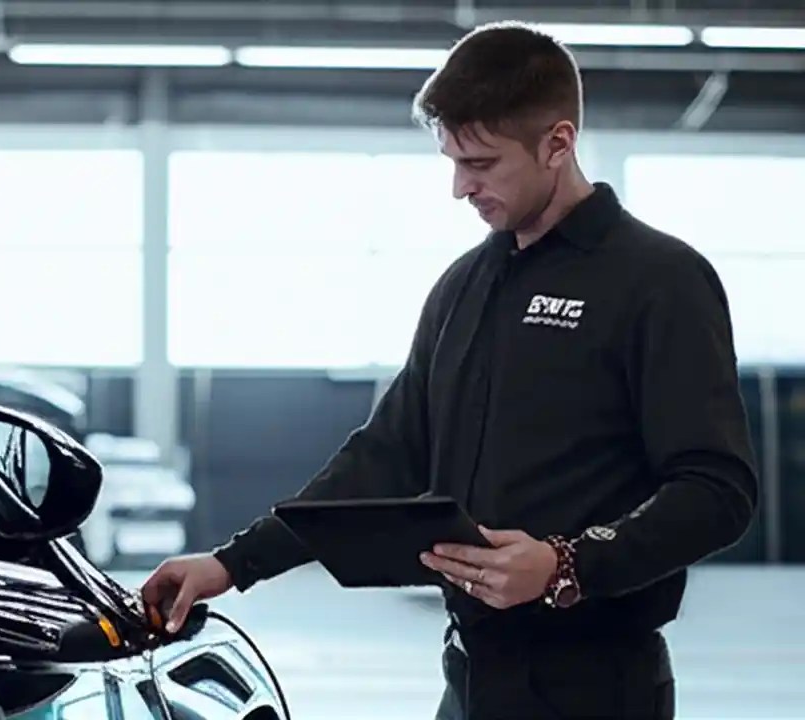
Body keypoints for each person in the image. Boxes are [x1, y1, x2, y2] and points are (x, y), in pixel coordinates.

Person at [139, 20, 759, 720]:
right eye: (453, 161)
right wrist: (232, 563)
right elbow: (384, 454)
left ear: (558, 144)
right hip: (468, 679)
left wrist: (567, 565)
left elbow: (718, 490)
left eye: (482, 163)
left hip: (595, 685)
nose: (460, 187)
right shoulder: (464, 286)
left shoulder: (659, 280)